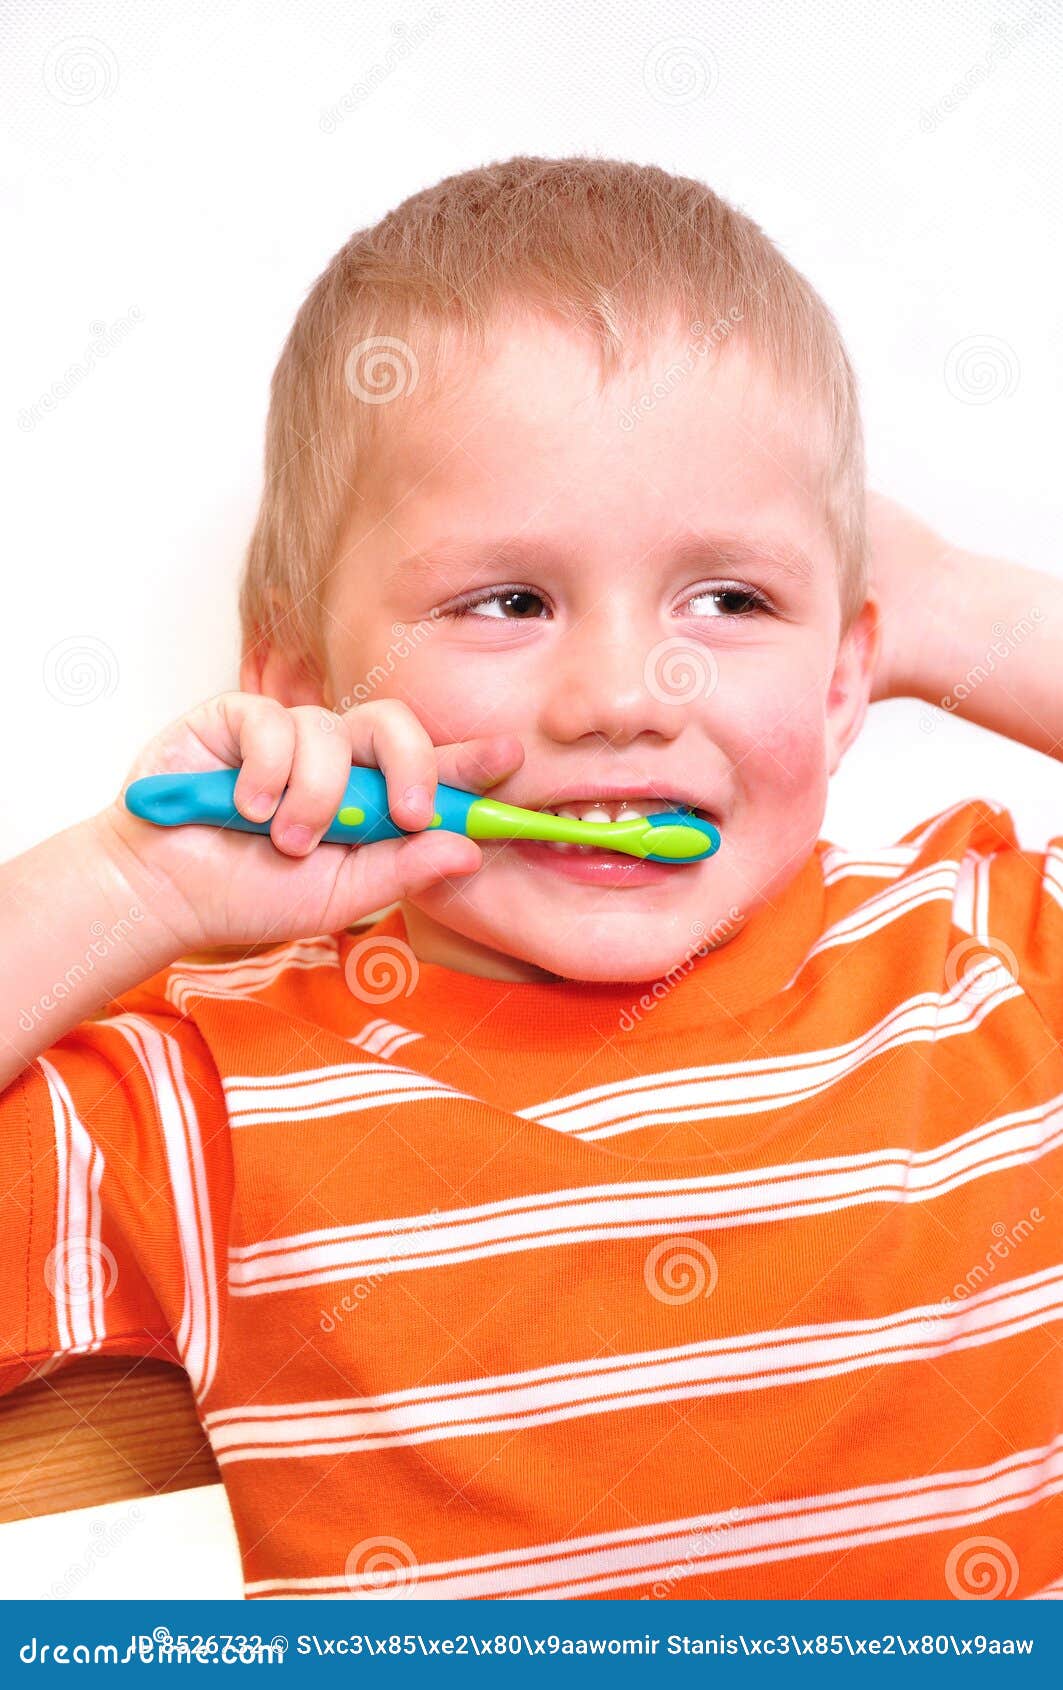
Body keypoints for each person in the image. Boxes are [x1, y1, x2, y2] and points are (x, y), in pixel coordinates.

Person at [2, 155, 1062, 1602]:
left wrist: (967, 619)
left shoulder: (995, 958)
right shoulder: (214, 1095)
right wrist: (130, 891)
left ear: (843, 678)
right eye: (508, 600)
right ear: (305, 687)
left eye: (731, 597)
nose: (624, 694)